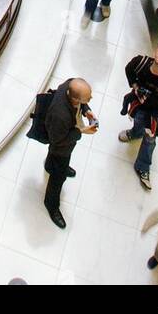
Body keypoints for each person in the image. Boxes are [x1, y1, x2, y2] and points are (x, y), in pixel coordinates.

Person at [118, 42, 158, 191]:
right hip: (140, 105)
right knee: (138, 121)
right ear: (155, 52)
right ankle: (134, 133)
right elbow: (129, 69)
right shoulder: (140, 63)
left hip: (156, 114)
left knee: (150, 141)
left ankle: (143, 167)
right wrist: (135, 87)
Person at [43, 77, 97, 228]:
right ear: (75, 98)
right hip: (60, 147)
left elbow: (81, 101)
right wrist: (82, 131)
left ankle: (48, 164)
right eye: (87, 98)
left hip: (60, 136)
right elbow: (58, 140)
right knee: (58, 177)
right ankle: (51, 204)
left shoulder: (70, 85)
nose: (91, 98)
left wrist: (86, 110)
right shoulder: (61, 115)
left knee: (54, 158)